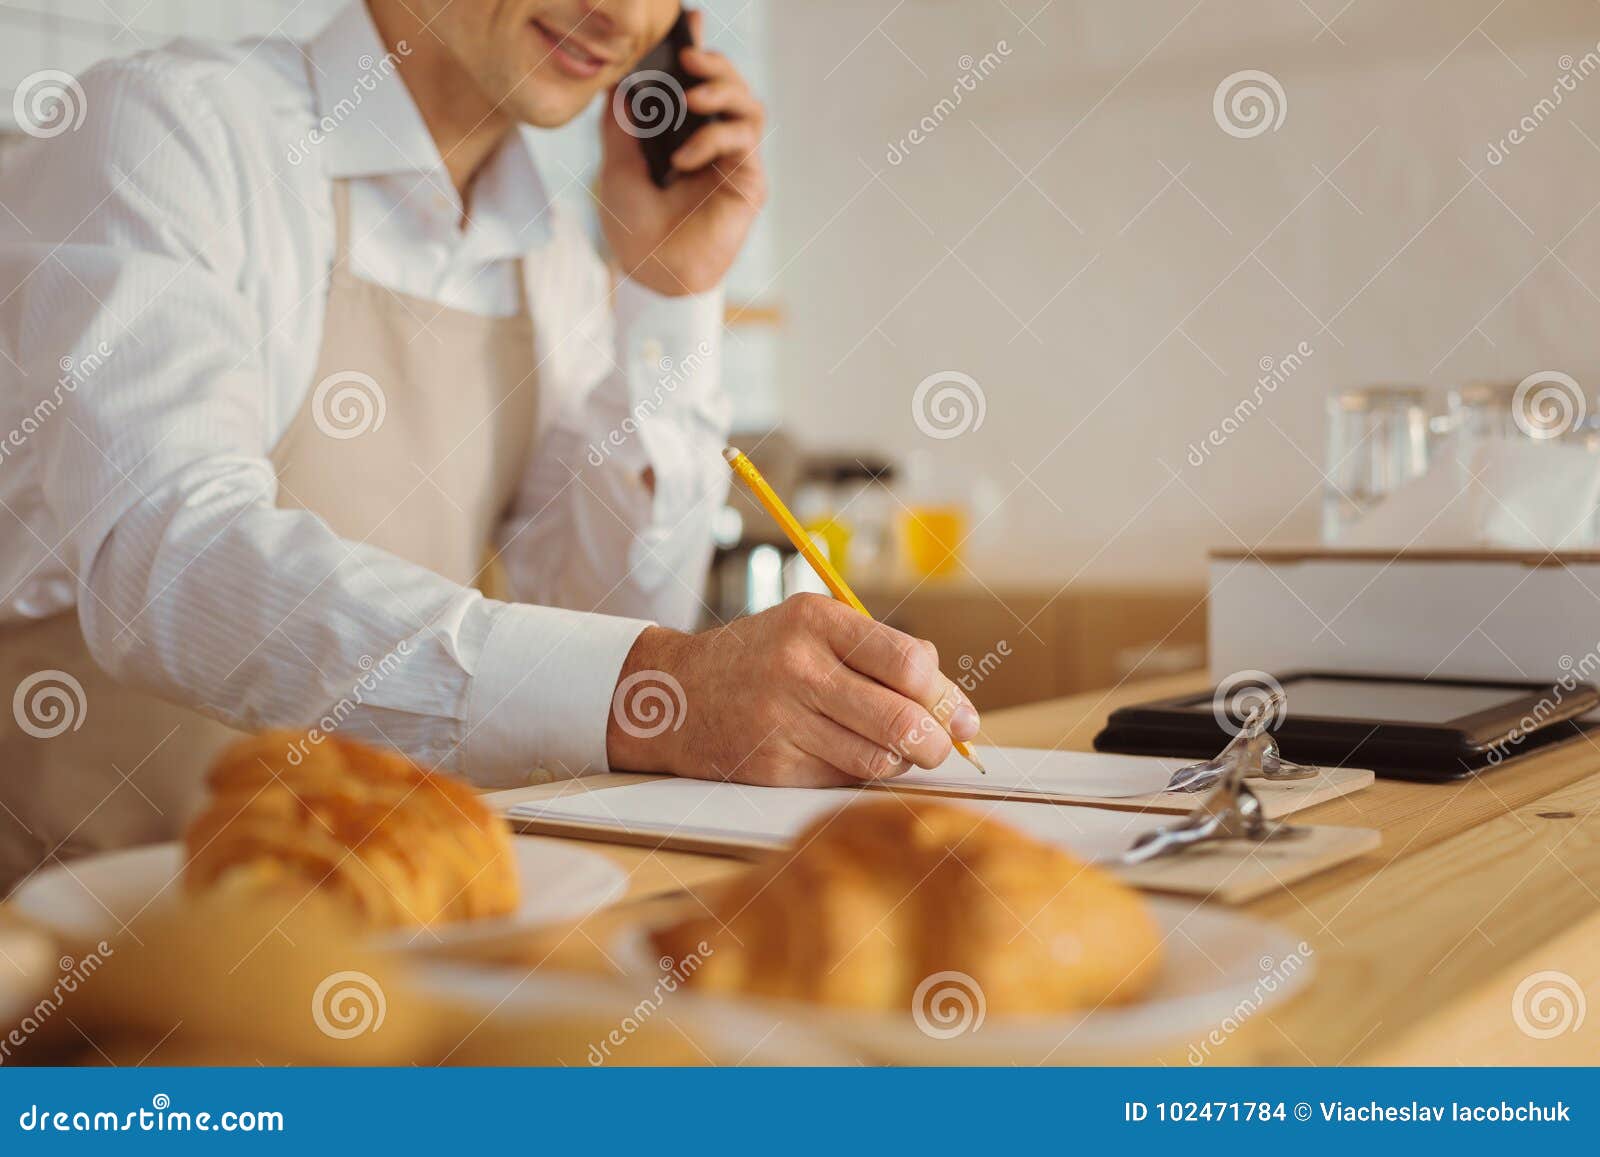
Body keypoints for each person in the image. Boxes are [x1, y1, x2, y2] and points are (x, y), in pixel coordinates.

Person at [0, 0, 980, 892]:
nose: (623, 16)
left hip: (385, 918)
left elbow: (601, 632)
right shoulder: (166, 132)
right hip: (93, 944)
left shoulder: (550, 258)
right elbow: (168, 558)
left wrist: (666, 290)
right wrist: (664, 687)